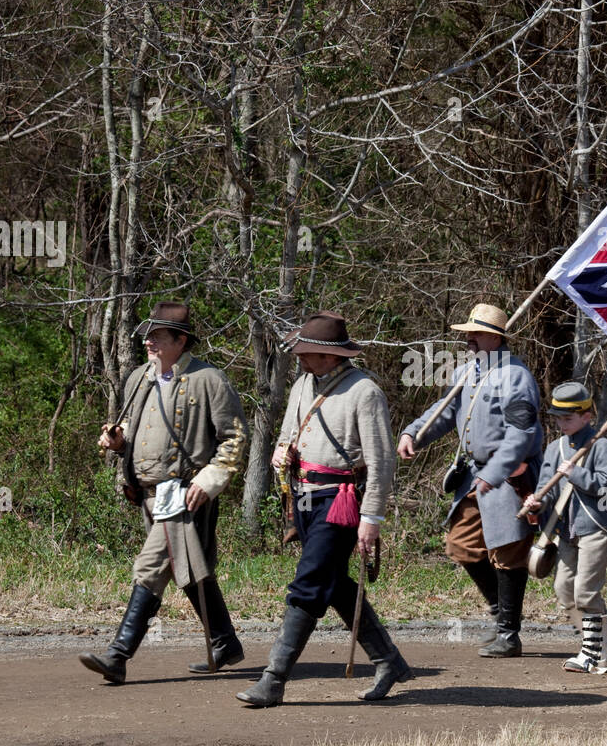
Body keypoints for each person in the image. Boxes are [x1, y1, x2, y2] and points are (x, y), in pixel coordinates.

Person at [237, 312, 411, 707]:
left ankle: (274, 678)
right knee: (333, 583)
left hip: (341, 501)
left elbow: (382, 462)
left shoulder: (364, 392)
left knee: (309, 584)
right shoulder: (302, 384)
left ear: (331, 356)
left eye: (308, 352)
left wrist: (371, 518)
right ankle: (389, 661)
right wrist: (282, 451)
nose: (300, 358)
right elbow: (286, 433)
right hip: (302, 497)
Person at [81, 302, 249, 685]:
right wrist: (119, 441)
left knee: (150, 568)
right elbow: (134, 431)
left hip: (184, 493)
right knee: (187, 572)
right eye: (148, 334)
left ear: (181, 340)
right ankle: (225, 642)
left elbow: (234, 437)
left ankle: (118, 657)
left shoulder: (210, 380)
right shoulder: (139, 377)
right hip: (148, 495)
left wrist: (209, 483)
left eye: (157, 335)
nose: (148, 340)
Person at [397, 303, 544, 657]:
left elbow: (522, 433)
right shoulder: (468, 370)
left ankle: (509, 634)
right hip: (472, 475)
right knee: (460, 545)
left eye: (474, 333)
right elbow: (445, 411)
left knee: (508, 552)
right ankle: (499, 613)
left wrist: (494, 475)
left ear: (494, 337)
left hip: (509, 475)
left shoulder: (516, 377)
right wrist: (414, 432)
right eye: (467, 333)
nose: (467, 338)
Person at [522, 381, 607, 673]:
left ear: (586, 416)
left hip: (594, 528)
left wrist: (577, 473)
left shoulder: (601, 446)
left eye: (568, 418)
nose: (561, 423)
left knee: (586, 592)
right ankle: (598, 641)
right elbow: (546, 488)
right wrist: (537, 503)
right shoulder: (555, 448)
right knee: (564, 589)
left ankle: (593, 655)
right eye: (557, 417)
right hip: (565, 530)